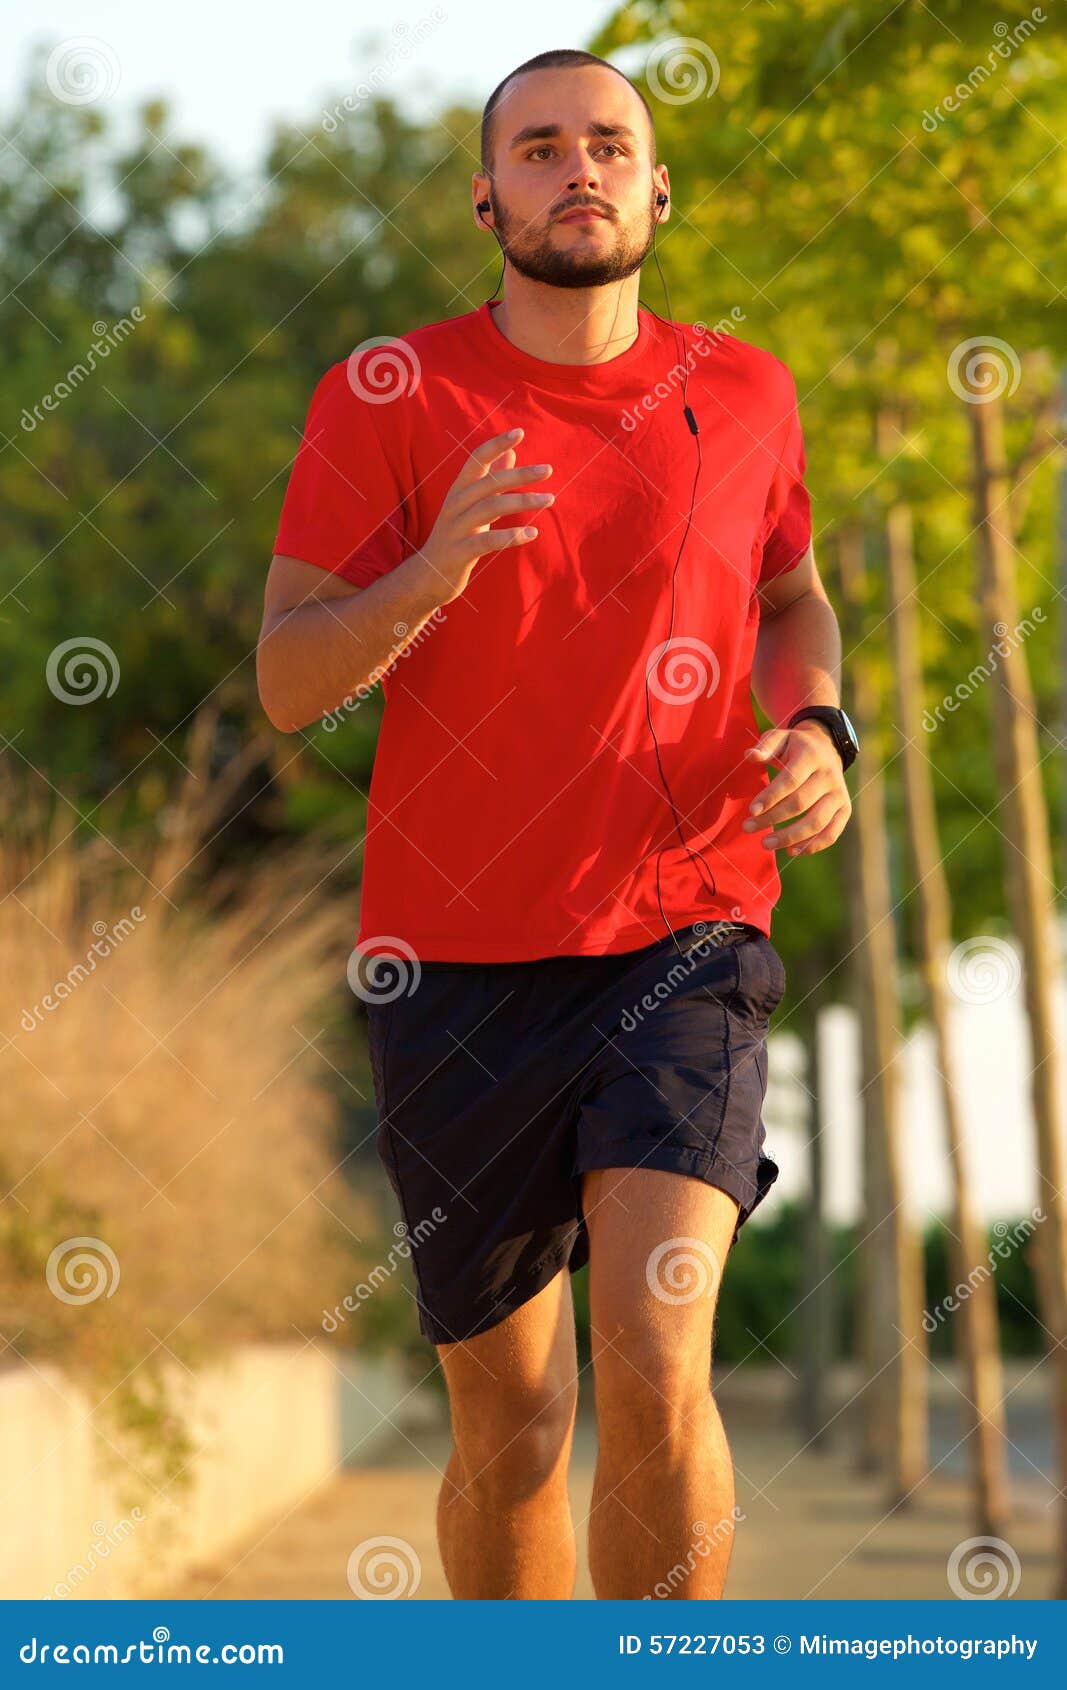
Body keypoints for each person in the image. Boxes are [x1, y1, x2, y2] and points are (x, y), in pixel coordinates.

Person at [256, 47, 856, 1601]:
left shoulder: (744, 388)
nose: (575, 168)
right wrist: (431, 572)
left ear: (659, 187)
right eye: (537, 148)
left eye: (607, 144)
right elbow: (284, 674)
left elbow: (790, 594)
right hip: (451, 970)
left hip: (686, 932)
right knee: (514, 1426)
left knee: (657, 1358)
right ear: (486, 193)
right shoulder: (390, 393)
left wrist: (820, 724)